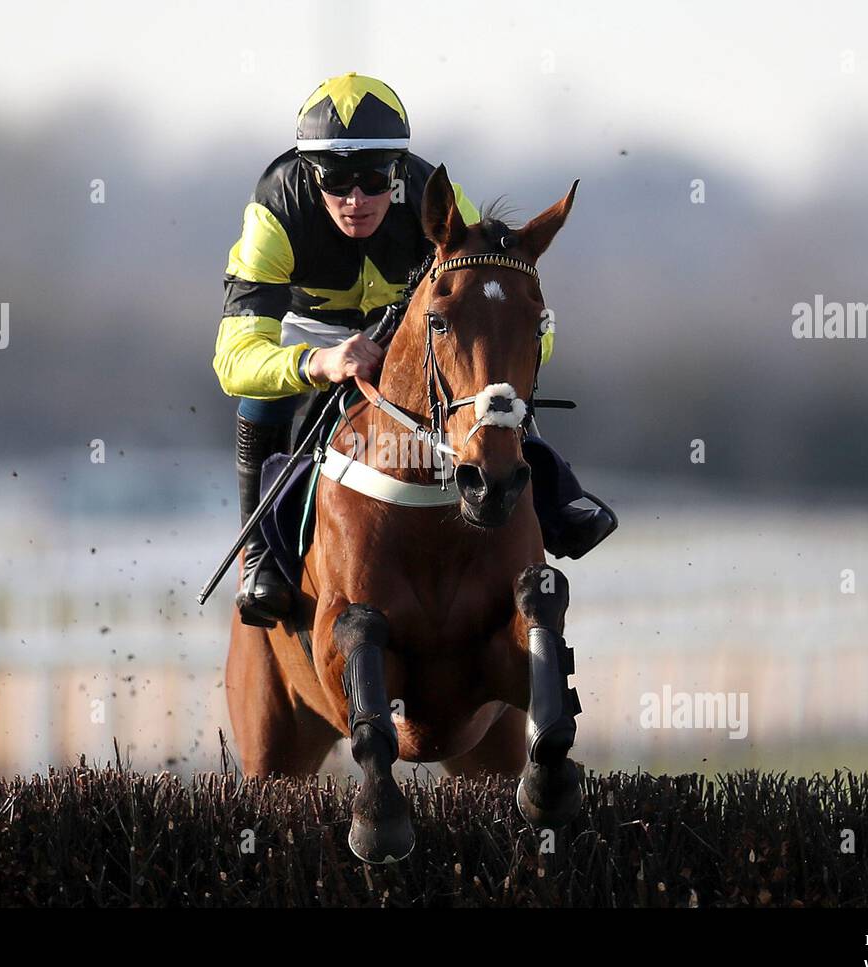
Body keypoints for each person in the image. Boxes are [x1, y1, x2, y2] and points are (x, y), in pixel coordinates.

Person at [214, 72, 615, 628]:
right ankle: (257, 551)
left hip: (419, 330)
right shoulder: (276, 207)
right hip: (314, 330)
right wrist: (323, 362)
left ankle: (556, 496)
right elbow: (235, 359)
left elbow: (500, 310)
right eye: (336, 181)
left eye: (375, 179)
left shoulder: (438, 196)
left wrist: (520, 346)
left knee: (482, 383)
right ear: (311, 174)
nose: (356, 200)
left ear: (397, 171)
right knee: (259, 398)